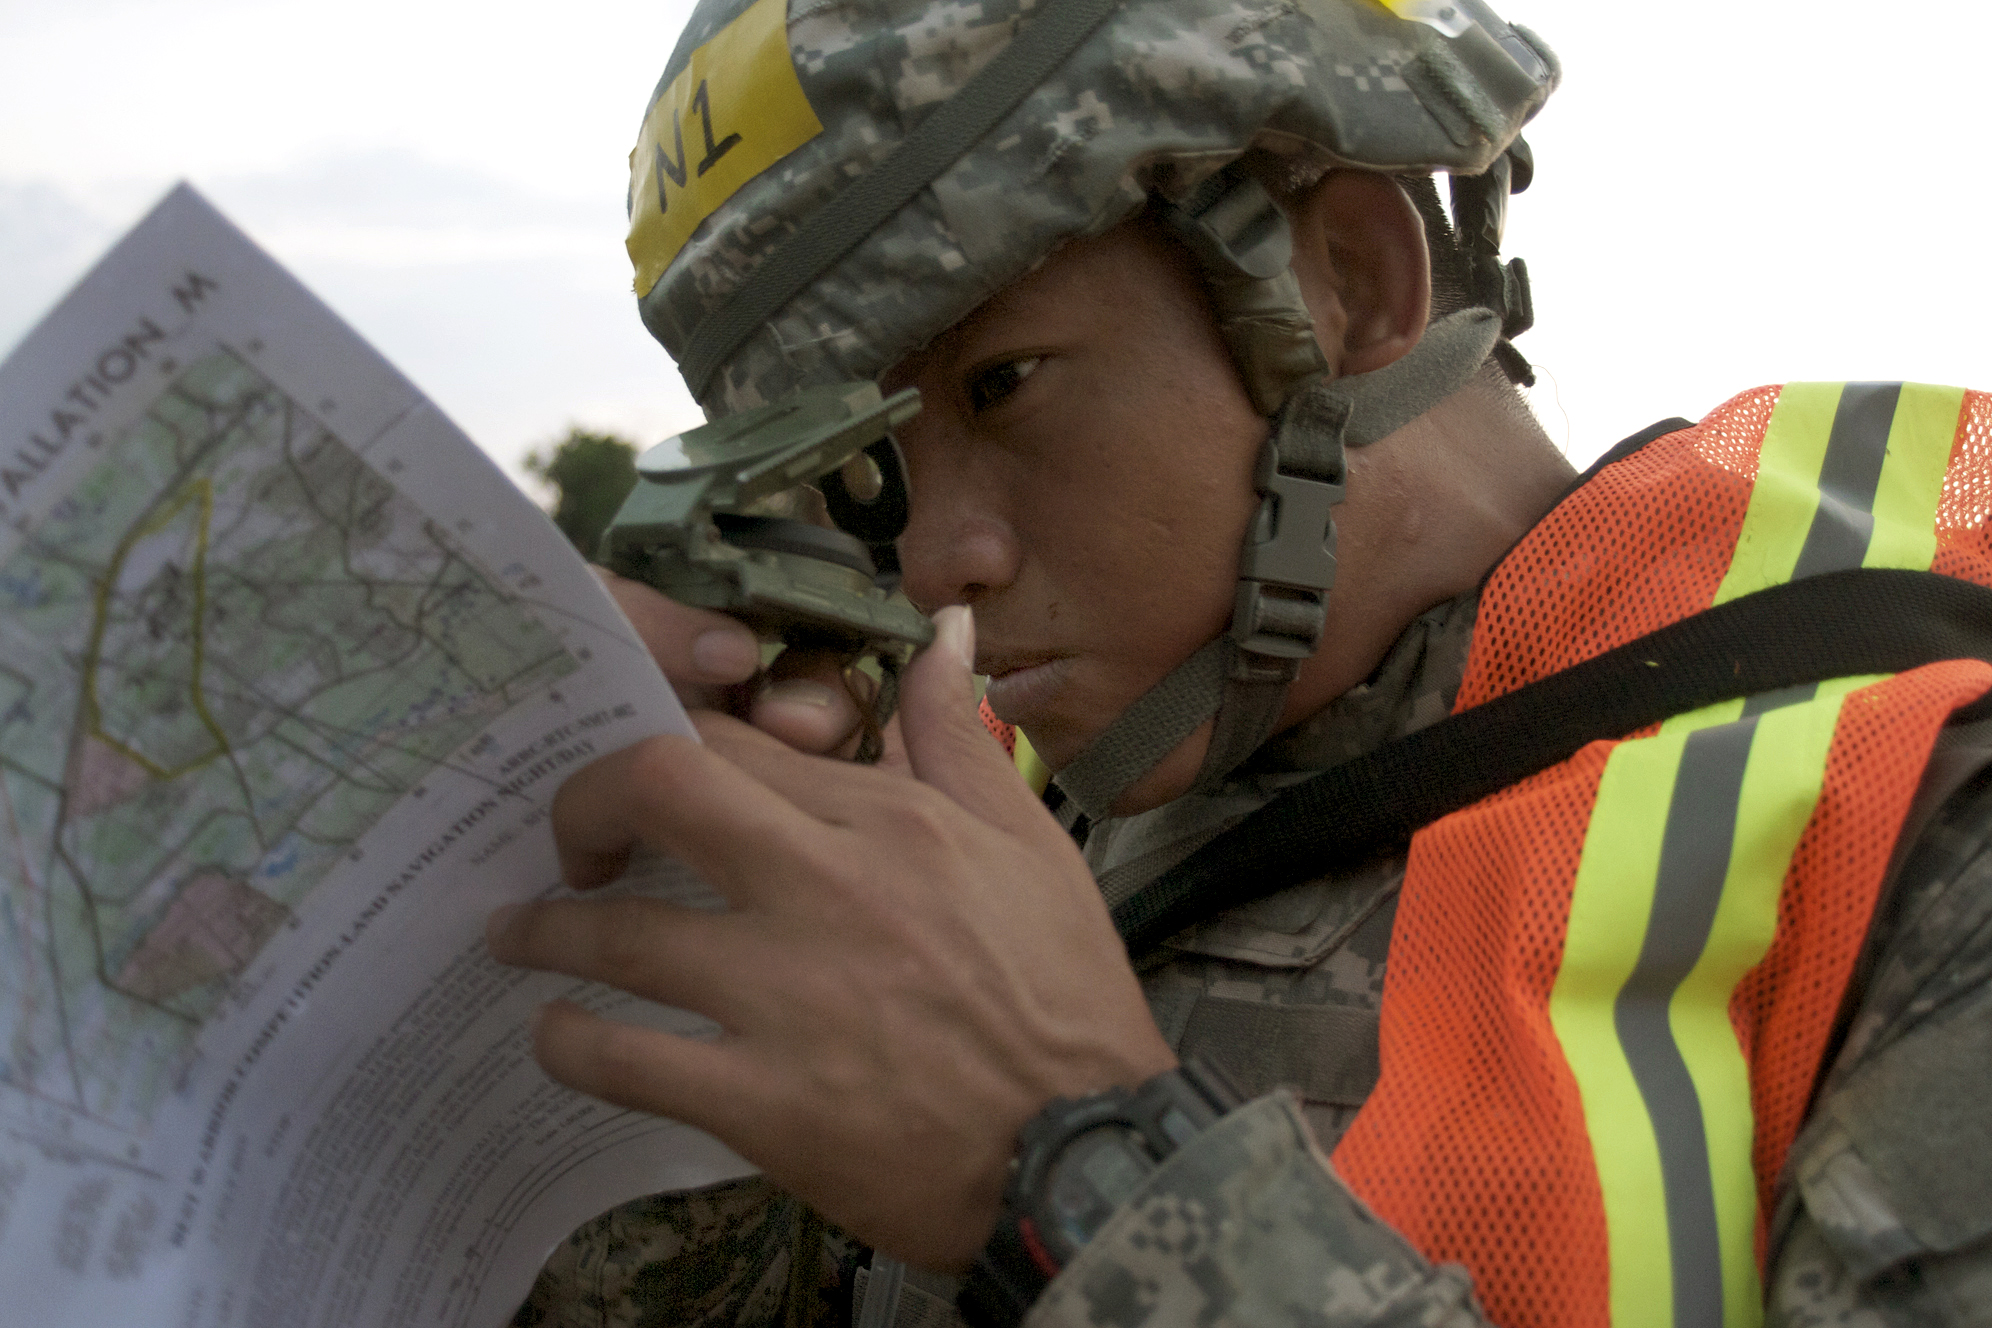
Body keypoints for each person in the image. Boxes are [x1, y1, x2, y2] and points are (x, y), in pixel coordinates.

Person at [493, 0, 1992, 1323]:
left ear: (1343, 278)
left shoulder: (1922, 823)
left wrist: (1088, 1174)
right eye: (865, 471)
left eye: (998, 386)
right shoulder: (956, 821)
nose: (933, 561)